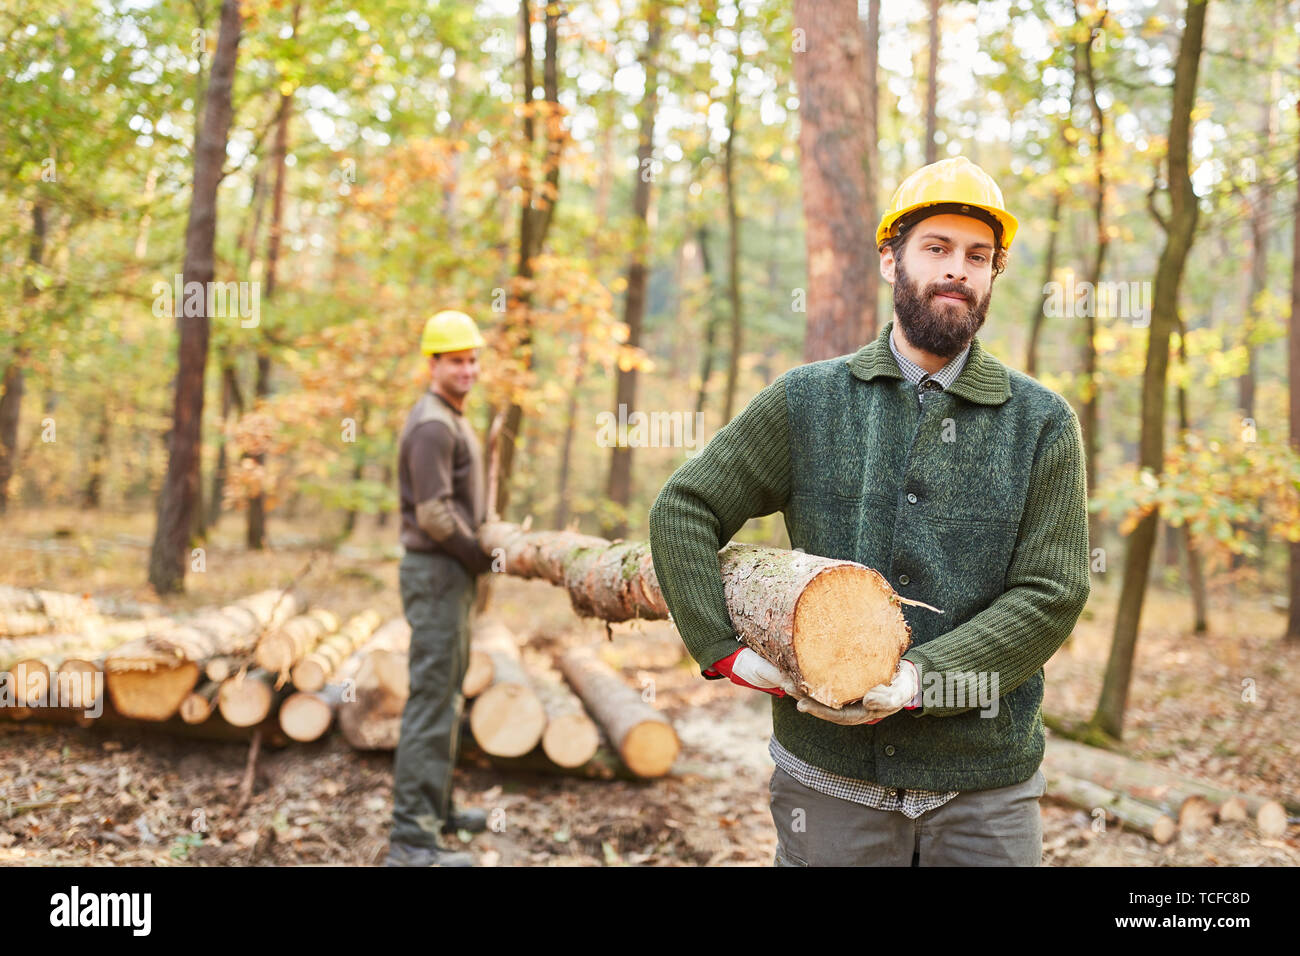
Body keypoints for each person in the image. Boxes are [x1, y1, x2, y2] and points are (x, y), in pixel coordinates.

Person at [647, 157, 1091, 866]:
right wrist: (720, 650)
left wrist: (924, 678)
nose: (958, 271)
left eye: (978, 257)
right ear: (891, 259)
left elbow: (1053, 592)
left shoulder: (1040, 423)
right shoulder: (808, 401)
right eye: (937, 249)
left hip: (985, 791)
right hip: (829, 780)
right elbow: (684, 509)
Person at [385, 309, 496, 867]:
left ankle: (438, 812)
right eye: (456, 361)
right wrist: (481, 556)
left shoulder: (452, 418)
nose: (468, 370)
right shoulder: (432, 424)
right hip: (435, 573)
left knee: (447, 698)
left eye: (473, 359)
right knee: (432, 702)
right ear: (433, 363)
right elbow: (433, 515)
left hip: (449, 576)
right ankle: (410, 843)